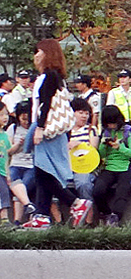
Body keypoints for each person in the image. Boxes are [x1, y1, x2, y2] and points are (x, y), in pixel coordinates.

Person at [25, 39, 79, 228]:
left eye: (38, 51)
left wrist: (39, 129)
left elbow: (45, 104)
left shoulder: (49, 76)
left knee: (43, 172)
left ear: (47, 53)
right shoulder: (56, 77)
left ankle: (74, 202)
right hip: (51, 130)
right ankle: (42, 215)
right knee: (43, 172)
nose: (36, 56)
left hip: (47, 130)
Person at [92, 105, 131, 226]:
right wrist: (103, 145)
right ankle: (107, 213)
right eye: (108, 124)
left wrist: (120, 148)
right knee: (98, 190)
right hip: (109, 167)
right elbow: (101, 154)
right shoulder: (106, 132)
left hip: (126, 167)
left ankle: (116, 216)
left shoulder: (129, 131)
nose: (111, 126)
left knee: (121, 192)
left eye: (113, 123)